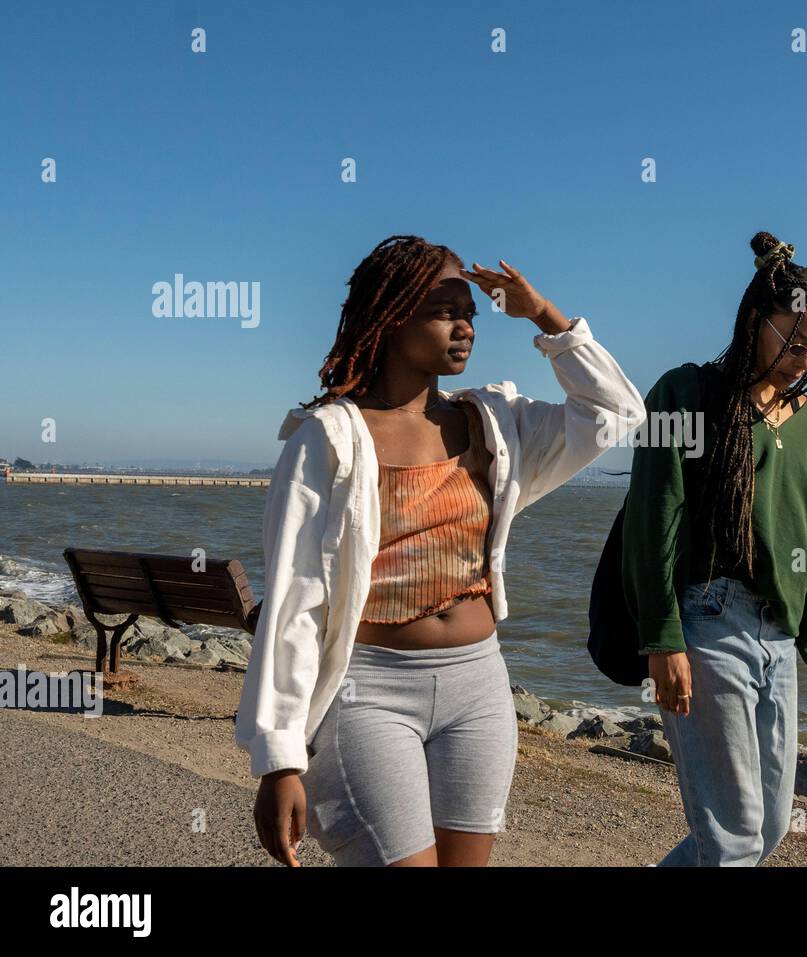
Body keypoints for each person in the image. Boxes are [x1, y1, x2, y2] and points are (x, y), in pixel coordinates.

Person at [236, 235, 645, 866]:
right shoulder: (328, 439)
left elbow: (615, 412)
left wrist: (542, 314)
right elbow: (295, 601)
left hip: (479, 685)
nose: (466, 328)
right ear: (391, 316)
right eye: (446, 312)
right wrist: (279, 758)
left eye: (473, 315)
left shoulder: (494, 424)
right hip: (367, 693)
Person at [622, 230, 807, 866]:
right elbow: (653, 518)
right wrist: (661, 638)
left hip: (778, 637)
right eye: (794, 340)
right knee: (732, 836)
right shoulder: (685, 394)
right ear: (756, 319)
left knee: (769, 828)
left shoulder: (804, 421)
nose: (805, 359)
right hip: (705, 623)